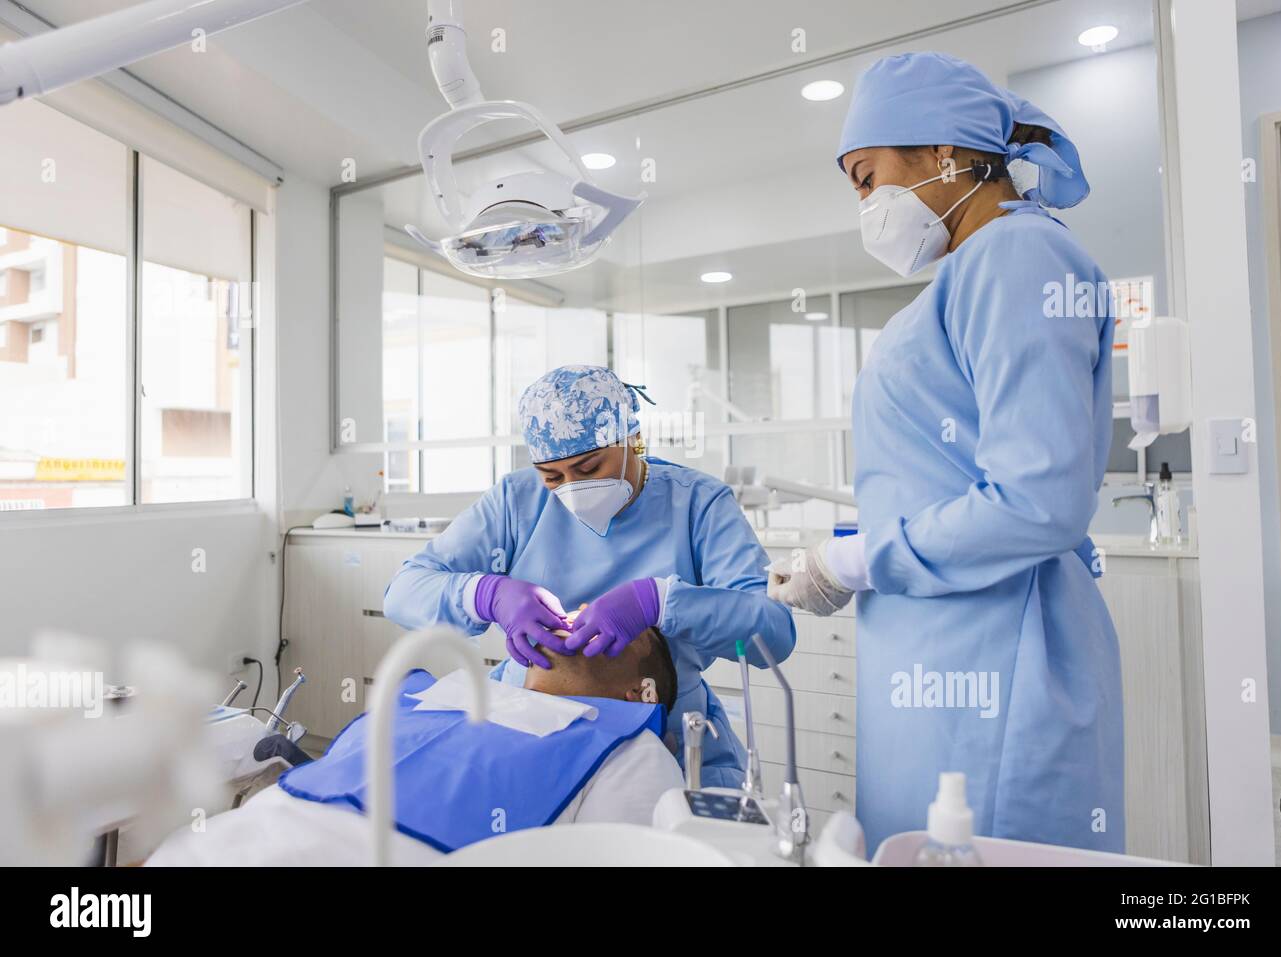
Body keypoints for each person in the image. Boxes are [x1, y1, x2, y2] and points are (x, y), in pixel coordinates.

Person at [768, 52, 1124, 854]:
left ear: (944, 152)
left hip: (998, 660)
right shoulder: (970, 277)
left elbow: (1038, 499)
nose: (865, 204)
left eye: (867, 177)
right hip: (941, 651)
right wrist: (856, 561)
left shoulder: (1020, 258)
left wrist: (857, 559)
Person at [384, 364, 796, 788]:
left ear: (633, 440)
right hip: (525, 716)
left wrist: (661, 602)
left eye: (589, 468)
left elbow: (773, 634)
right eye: (552, 477)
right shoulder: (515, 500)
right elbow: (403, 591)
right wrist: (485, 593)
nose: (570, 488)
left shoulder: (698, 504)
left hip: (669, 732)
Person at [148, 629, 684, 865]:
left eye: (620, 628)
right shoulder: (447, 690)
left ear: (641, 691)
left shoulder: (630, 747)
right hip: (231, 844)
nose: (586, 615)